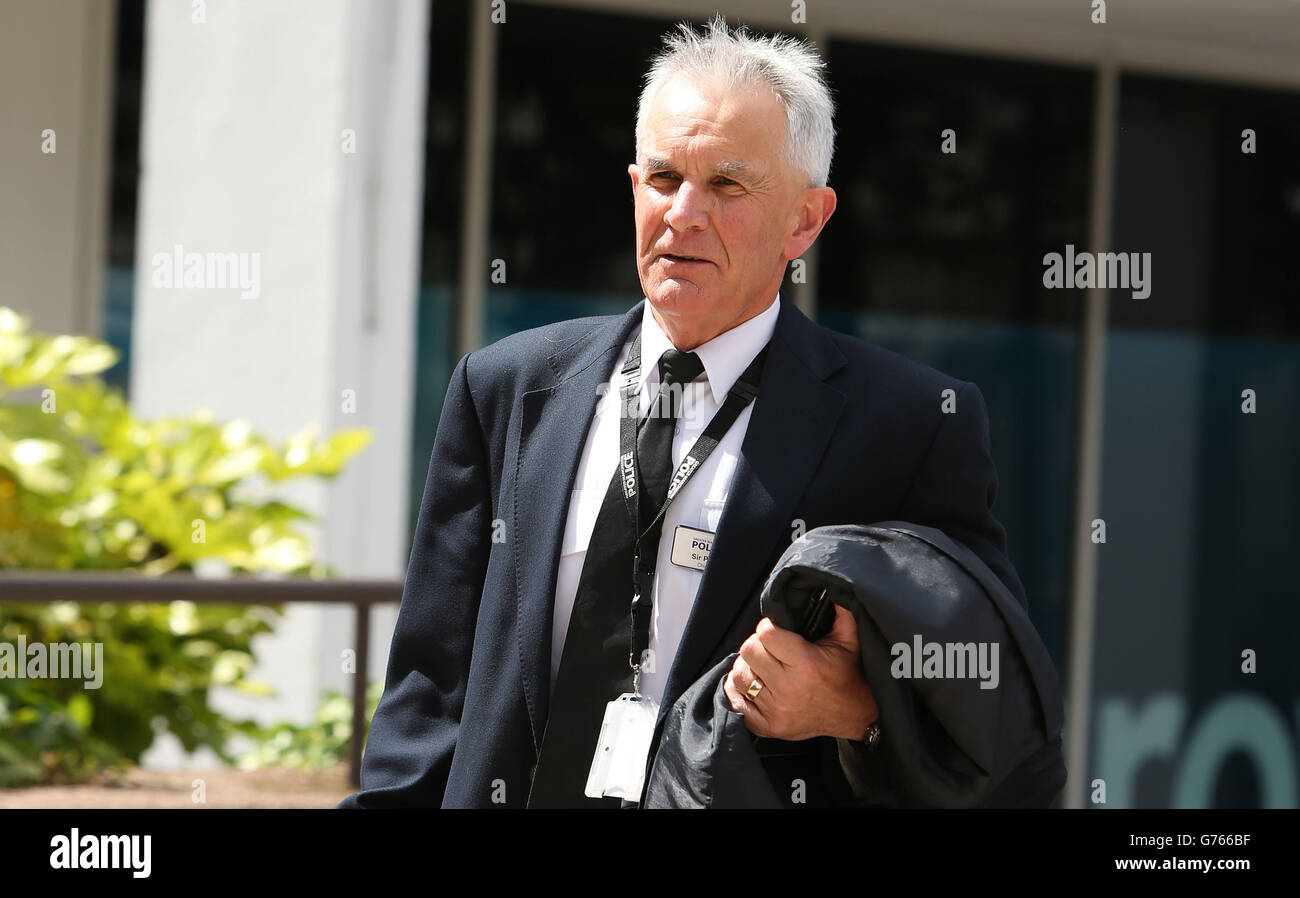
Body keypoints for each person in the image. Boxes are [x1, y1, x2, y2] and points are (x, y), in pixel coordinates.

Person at [339, 15, 1029, 809]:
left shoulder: (910, 425)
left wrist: (856, 709)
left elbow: (987, 690)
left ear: (806, 220)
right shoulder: (507, 387)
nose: (683, 214)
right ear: (636, 188)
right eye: (664, 179)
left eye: (728, 185)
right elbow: (429, 690)